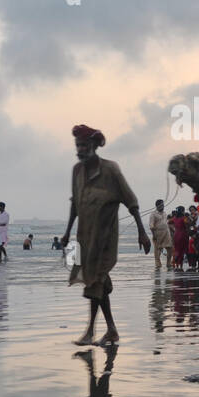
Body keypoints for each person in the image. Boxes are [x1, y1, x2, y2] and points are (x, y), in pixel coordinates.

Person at [63, 124, 150, 346]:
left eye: (84, 145)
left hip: (105, 240)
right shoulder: (77, 171)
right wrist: (67, 233)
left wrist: (142, 232)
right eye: (78, 145)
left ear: (94, 146)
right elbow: (75, 204)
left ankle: (90, 331)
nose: (80, 149)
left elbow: (131, 201)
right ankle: (111, 330)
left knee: (94, 283)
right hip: (85, 238)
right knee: (96, 283)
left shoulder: (111, 170)